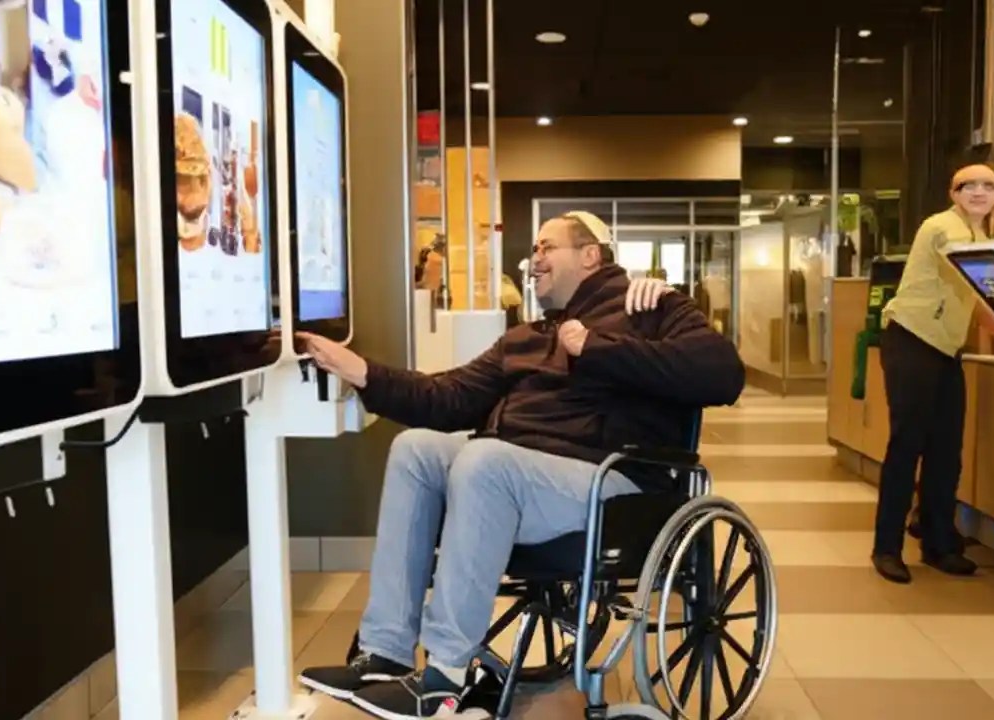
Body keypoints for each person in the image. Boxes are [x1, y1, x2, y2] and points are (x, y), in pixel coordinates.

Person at [295, 210, 744, 720]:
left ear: (591, 255)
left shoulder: (650, 308)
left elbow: (723, 375)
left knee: (486, 460)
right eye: (533, 250)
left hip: (612, 483)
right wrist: (362, 372)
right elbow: (446, 396)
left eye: (545, 247)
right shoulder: (526, 339)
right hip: (520, 478)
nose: (533, 260)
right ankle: (386, 654)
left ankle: (444, 678)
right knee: (418, 449)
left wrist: (597, 347)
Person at [871, 163, 994, 584]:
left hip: (945, 350)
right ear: (953, 193)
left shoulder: (982, 238)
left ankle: (939, 542)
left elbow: (973, 297)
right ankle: (886, 547)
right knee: (908, 444)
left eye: (988, 185)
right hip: (911, 340)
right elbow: (983, 278)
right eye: (968, 185)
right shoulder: (942, 228)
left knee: (946, 449)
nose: (978, 191)